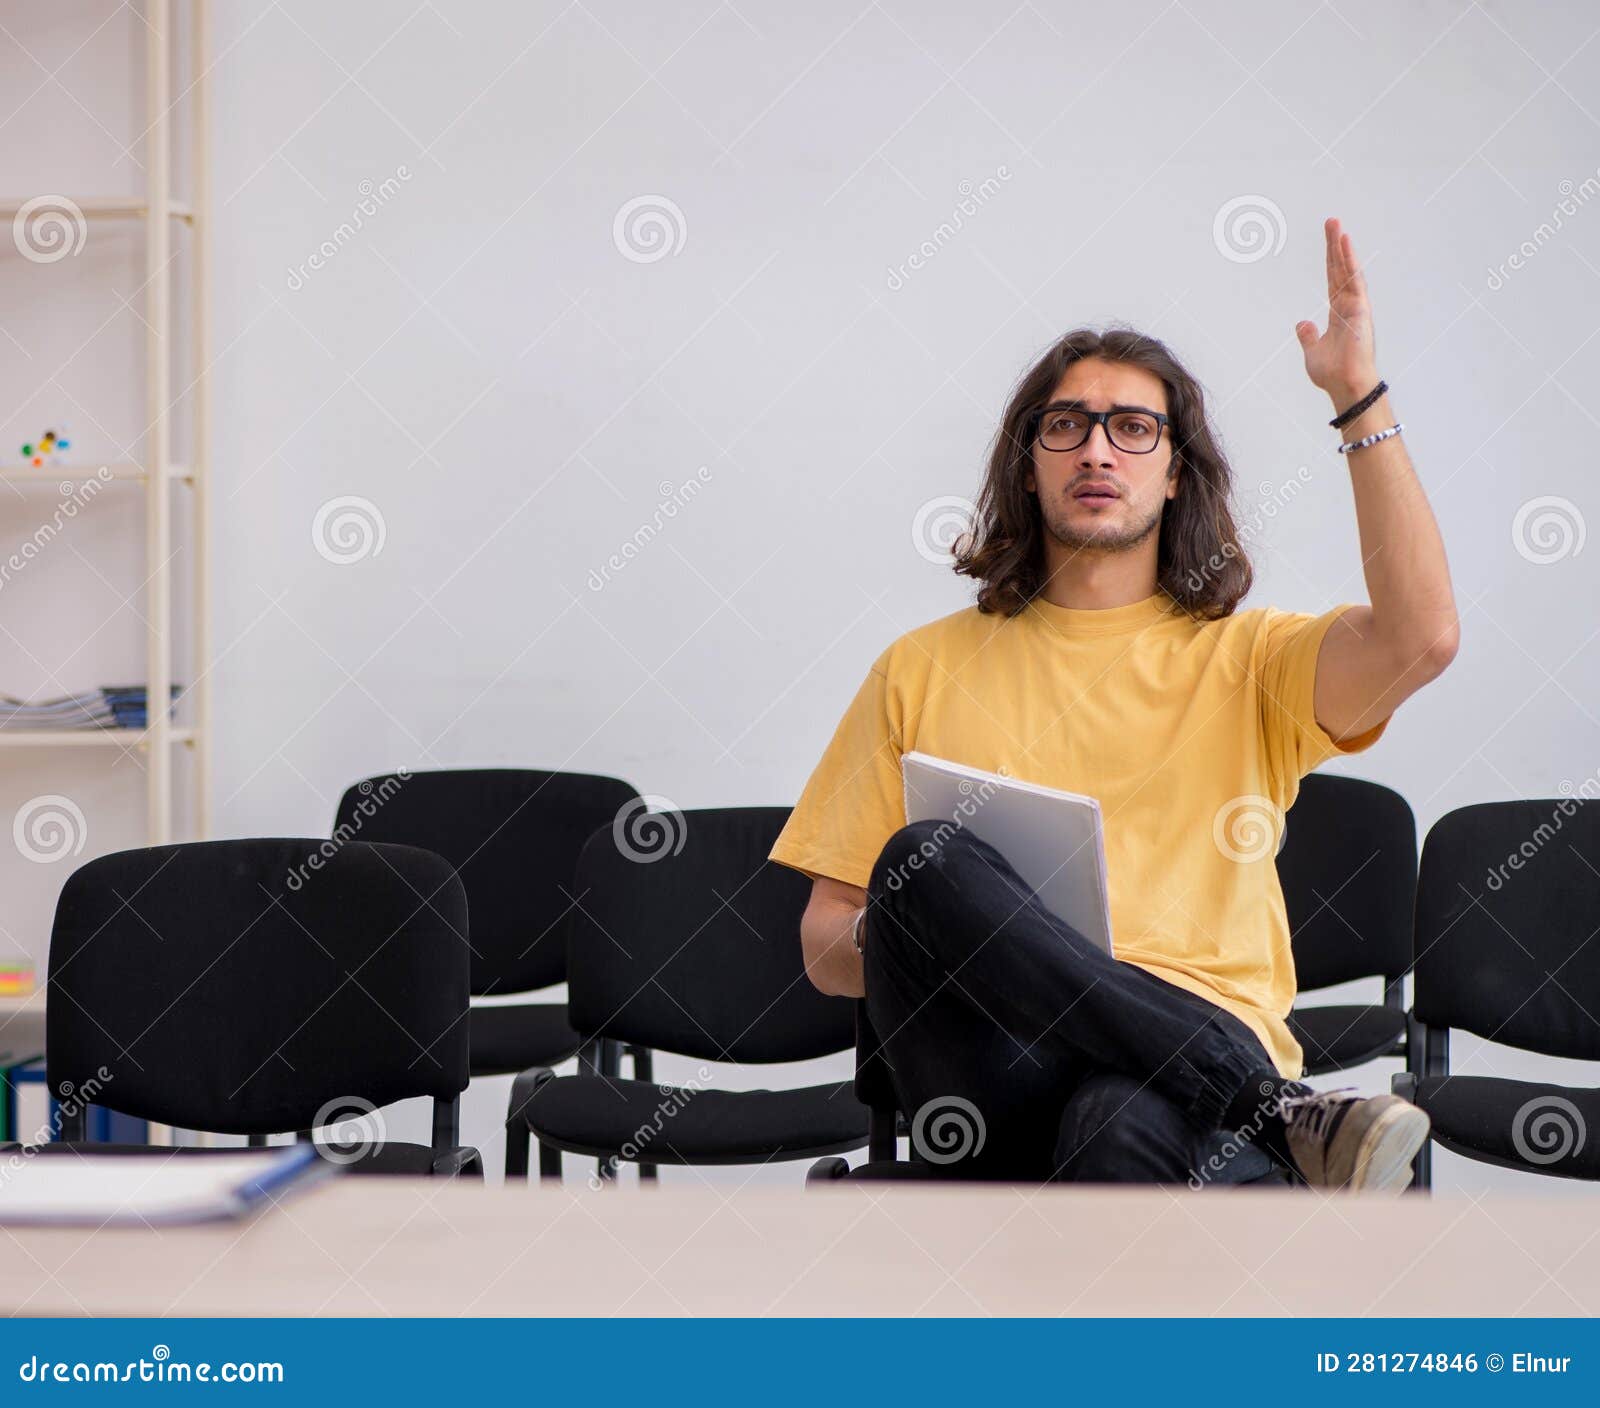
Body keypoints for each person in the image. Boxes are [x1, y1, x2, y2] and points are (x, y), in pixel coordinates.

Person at [769, 218, 1458, 1191]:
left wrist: (1356, 396)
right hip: (988, 1067)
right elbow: (824, 946)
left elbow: (1421, 638)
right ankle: (1276, 1113)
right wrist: (961, 928)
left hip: (1175, 1091)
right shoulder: (916, 668)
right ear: (1030, 461)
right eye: (1066, 424)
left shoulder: (1248, 658)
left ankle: (1117, 1322)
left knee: (1116, 1118)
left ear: (1175, 471)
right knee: (918, 863)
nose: (1097, 448)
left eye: (1132, 427)